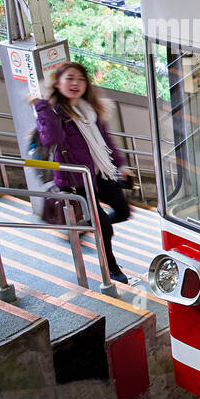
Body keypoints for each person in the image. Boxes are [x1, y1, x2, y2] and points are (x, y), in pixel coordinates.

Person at [32, 62, 134, 283]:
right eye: (69, 78)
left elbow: (106, 140)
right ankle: (111, 268)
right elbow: (52, 139)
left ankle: (88, 226)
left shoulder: (89, 110)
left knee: (124, 211)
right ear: (57, 83)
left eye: (80, 79)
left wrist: (120, 165)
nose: (75, 83)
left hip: (99, 173)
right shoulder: (52, 113)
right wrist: (41, 106)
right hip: (76, 180)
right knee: (105, 227)